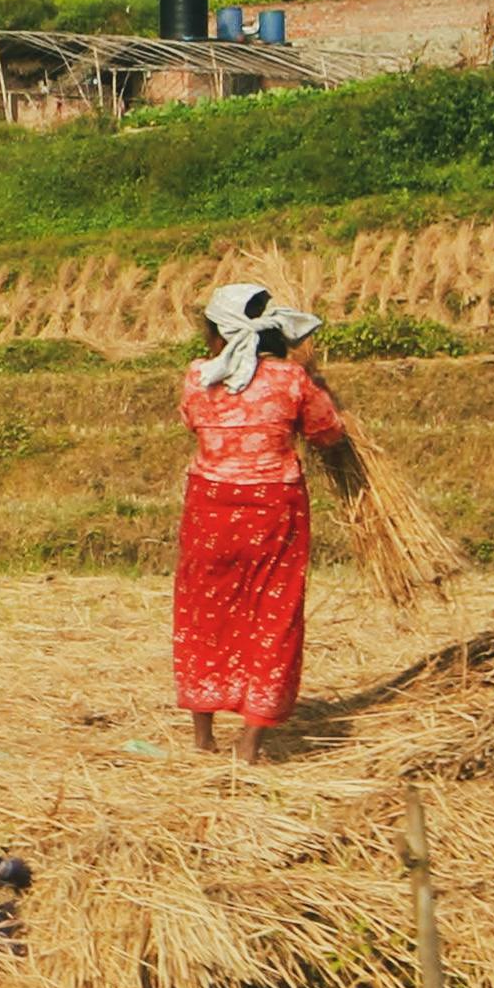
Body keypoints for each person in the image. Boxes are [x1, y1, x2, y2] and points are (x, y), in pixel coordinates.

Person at [171, 282, 348, 760]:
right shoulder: (292, 381)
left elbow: (192, 421)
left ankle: (203, 738)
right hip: (273, 509)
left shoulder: (198, 377)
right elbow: (327, 432)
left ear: (216, 334)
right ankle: (249, 746)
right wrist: (322, 388)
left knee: (203, 611)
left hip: (209, 507)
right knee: (273, 612)